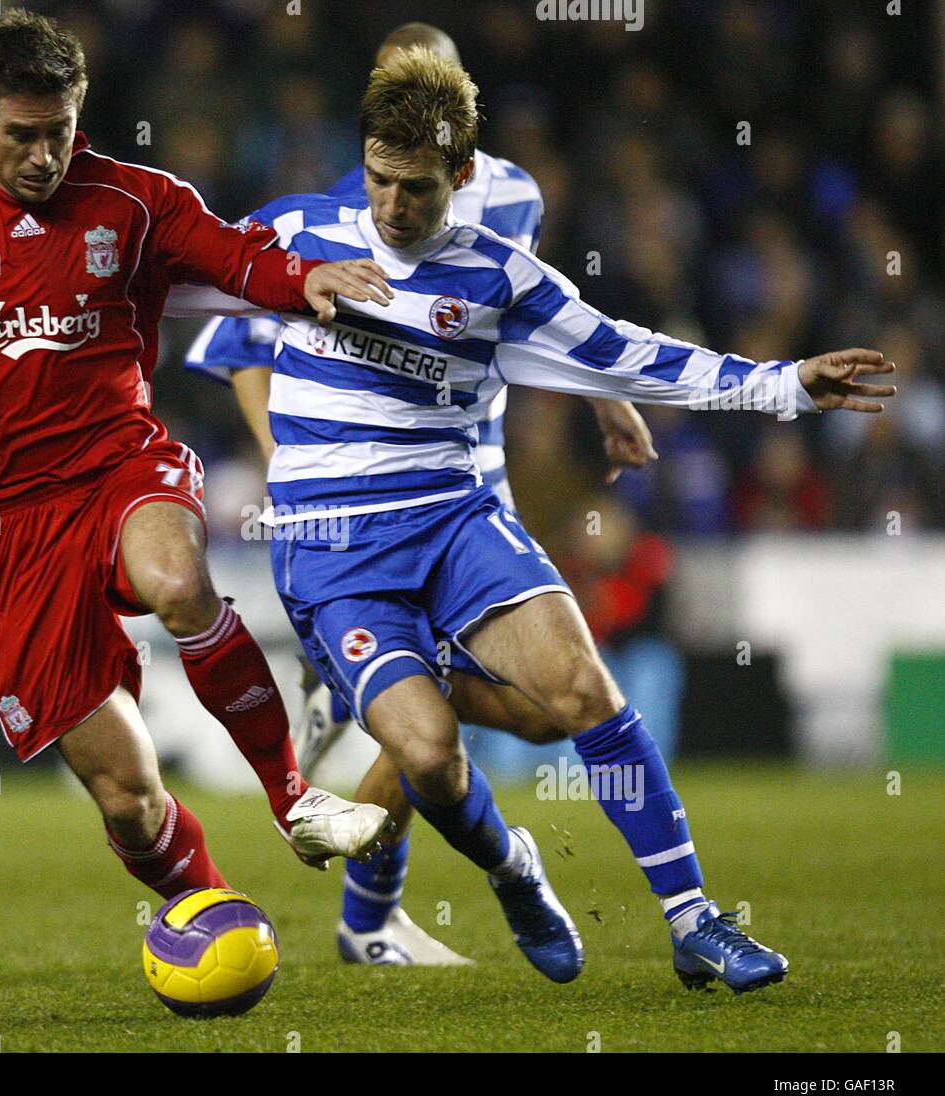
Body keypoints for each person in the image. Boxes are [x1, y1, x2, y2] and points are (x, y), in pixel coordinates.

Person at [169, 47, 894, 993]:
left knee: (585, 694)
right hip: (337, 550)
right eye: (380, 181)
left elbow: (626, 352)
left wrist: (784, 383)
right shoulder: (296, 230)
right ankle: (514, 866)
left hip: (455, 521)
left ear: (461, 177)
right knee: (425, 753)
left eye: (418, 189)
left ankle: (694, 919)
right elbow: (165, 280)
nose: (392, 208)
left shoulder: (499, 272)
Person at [0, 10, 399, 903]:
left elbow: (235, 257)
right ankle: (208, 911)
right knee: (130, 799)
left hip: (119, 465)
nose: (43, 155)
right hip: (5, 519)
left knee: (177, 580)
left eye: (58, 132)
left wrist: (303, 282)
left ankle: (294, 800)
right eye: (21, 135)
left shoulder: (134, 199)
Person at [184, 22, 657, 968]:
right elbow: (241, 348)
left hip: (472, 488)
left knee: (539, 710)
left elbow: (548, 312)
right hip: (361, 505)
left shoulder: (515, 194)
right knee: (431, 728)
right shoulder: (333, 217)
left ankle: (372, 880)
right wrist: (303, 463)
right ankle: (374, 908)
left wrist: (609, 396)